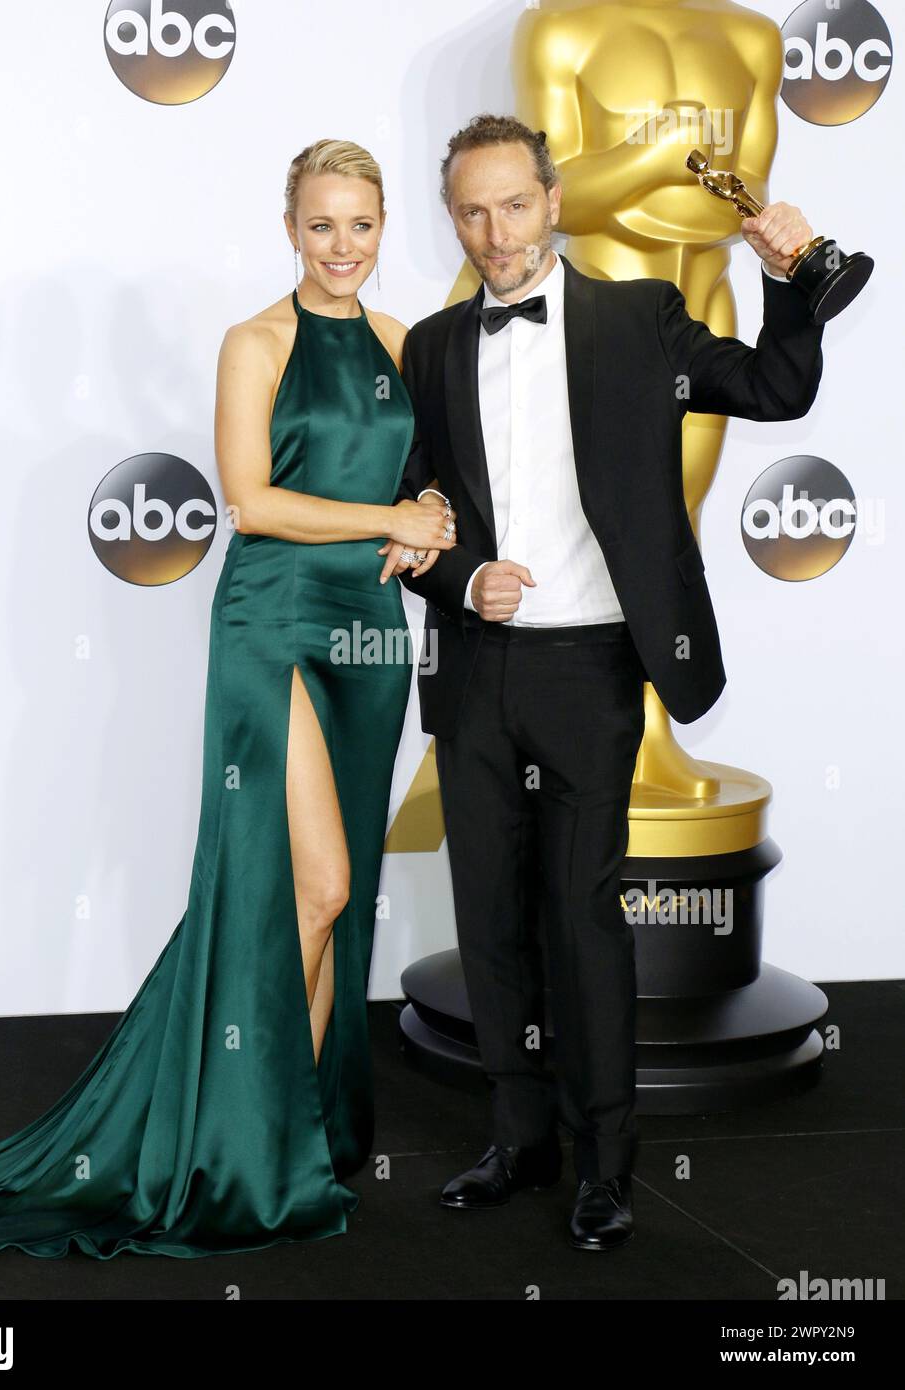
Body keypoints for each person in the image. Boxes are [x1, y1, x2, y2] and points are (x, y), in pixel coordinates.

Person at [0, 138, 455, 1275]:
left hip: (372, 641)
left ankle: (281, 1134)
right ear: (290, 227)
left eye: (362, 225)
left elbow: (430, 482)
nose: (343, 247)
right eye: (322, 225)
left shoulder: (404, 346)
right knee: (314, 882)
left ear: (386, 228)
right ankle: (244, 1141)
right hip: (271, 628)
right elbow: (250, 498)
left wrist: (424, 503)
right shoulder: (257, 341)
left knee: (332, 897)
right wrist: (389, 521)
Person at [381, 113, 824, 1250]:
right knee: (487, 919)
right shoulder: (429, 347)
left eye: (513, 205)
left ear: (552, 201)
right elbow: (416, 520)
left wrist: (787, 277)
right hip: (478, 670)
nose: (494, 231)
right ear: (454, 218)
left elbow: (776, 388)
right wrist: (462, 575)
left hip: (590, 668)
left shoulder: (637, 320)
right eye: (471, 211)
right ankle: (516, 1141)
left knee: (583, 920)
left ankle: (604, 1163)